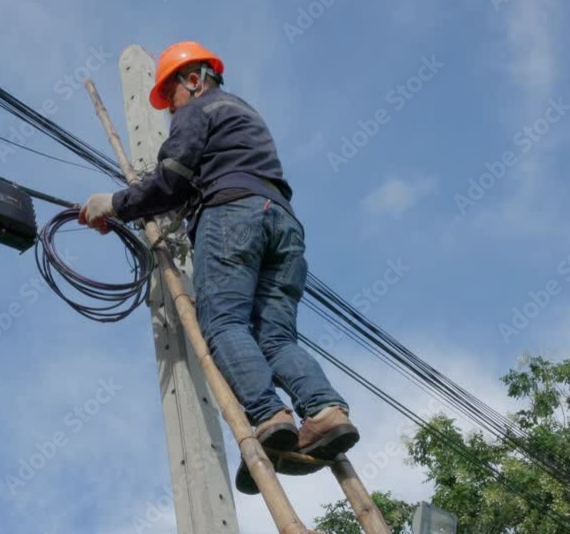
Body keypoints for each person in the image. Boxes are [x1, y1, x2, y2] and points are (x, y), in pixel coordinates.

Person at [78, 41, 359, 493]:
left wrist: (112, 203)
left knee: (224, 322)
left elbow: (170, 178)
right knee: (276, 336)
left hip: (231, 218)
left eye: (171, 98)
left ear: (194, 79)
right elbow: (191, 186)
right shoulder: (244, 115)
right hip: (283, 224)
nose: (171, 111)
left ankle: (269, 418)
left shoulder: (198, 110)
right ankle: (325, 412)